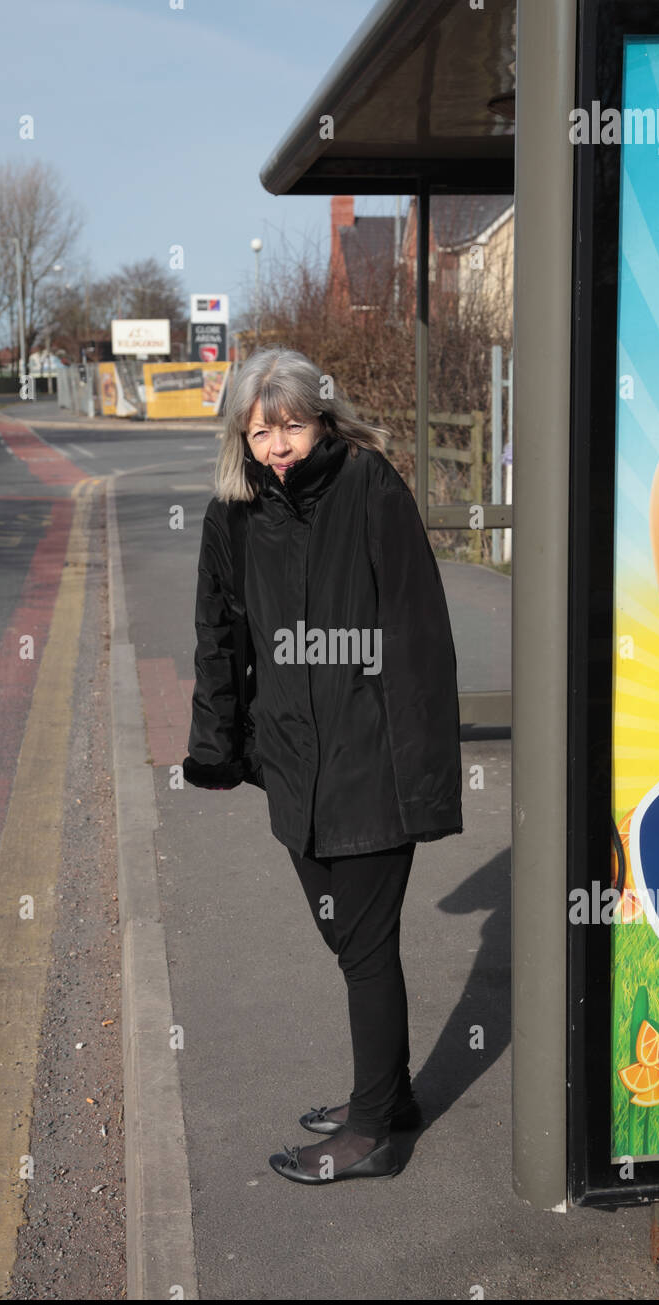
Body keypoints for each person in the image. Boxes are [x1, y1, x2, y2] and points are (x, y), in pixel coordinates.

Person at [184, 346, 462, 1184]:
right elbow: (219, 641)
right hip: (294, 765)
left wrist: (423, 778)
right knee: (347, 939)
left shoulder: (370, 488)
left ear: (321, 418)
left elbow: (419, 637)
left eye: (291, 426)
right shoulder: (230, 514)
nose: (278, 447)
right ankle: (392, 1092)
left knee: (366, 947)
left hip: (372, 759)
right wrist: (219, 747)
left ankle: (372, 1131)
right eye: (261, 432)